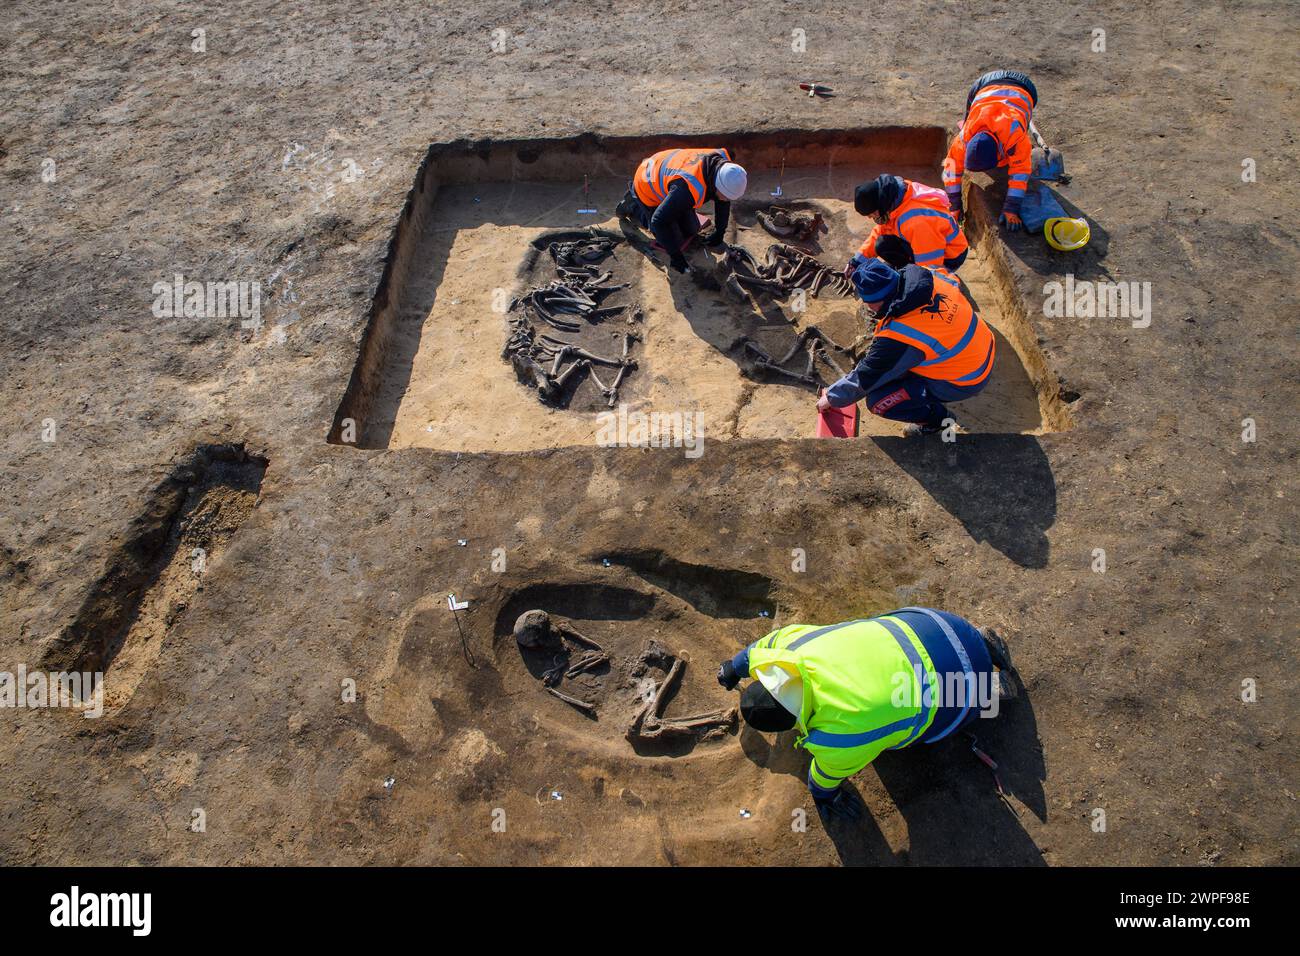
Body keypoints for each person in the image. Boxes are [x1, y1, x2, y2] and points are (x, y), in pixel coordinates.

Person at [717, 607, 1017, 821]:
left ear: (793, 725)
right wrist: (733, 667)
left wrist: (825, 796)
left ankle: (990, 689)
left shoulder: (837, 736)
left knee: (916, 732)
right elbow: (758, 650)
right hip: (933, 623)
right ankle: (978, 640)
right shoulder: (790, 647)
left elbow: (825, 776)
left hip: (956, 683)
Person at [816, 257, 994, 435]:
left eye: (867, 301)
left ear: (878, 301)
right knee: (897, 368)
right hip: (982, 345)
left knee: (879, 402)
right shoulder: (929, 275)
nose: (866, 306)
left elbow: (868, 376)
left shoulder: (902, 334)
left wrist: (832, 398)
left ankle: (938, 421)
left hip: (967, 379)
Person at [615, 147, 748, 273]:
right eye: (725, 195)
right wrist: (676, 256)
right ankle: (634, 205)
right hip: (646, 184)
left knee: (692, 229)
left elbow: (723, 202)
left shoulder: (723, 166)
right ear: (717, 185)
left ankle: (668, 205)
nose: (725, 200)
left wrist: (720, 232)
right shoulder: (688, 188)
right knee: (673, 240)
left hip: (667, 174)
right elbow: (658, 221)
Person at [942, 69, 1039, 232]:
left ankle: (1008, 155)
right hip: (983, 84)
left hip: (1025, 88)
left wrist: (1011, 209)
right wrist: (954, 205)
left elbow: (1020, 174)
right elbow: (951, 171)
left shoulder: (1015, 138)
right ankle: (968, 120)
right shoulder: (964, 138)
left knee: (1017, 158)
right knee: (968, 119)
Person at [851, 174, 968, 273]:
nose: (870, 218)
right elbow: (880, 230)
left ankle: (907, 272)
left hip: (950, 257)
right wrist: (856, 262)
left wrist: (918, 282)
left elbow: (930, 264)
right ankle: (906, 267)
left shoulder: (916, 221)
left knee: (915, 276)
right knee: (883, 244)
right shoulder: (894, 198)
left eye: (872, 214)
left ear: (880, 206)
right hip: (932, 244)